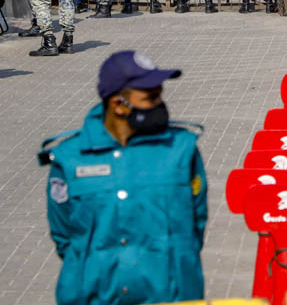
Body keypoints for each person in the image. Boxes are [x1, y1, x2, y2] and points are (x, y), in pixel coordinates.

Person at [40, 50, 208, 305]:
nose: (160, 104)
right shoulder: (70, 157)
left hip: (170, 296)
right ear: (118, 104)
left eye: (160, 94)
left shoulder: (181, 150)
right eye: (150, 98)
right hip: (93, 297)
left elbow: (196, 224)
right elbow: (64, 234)